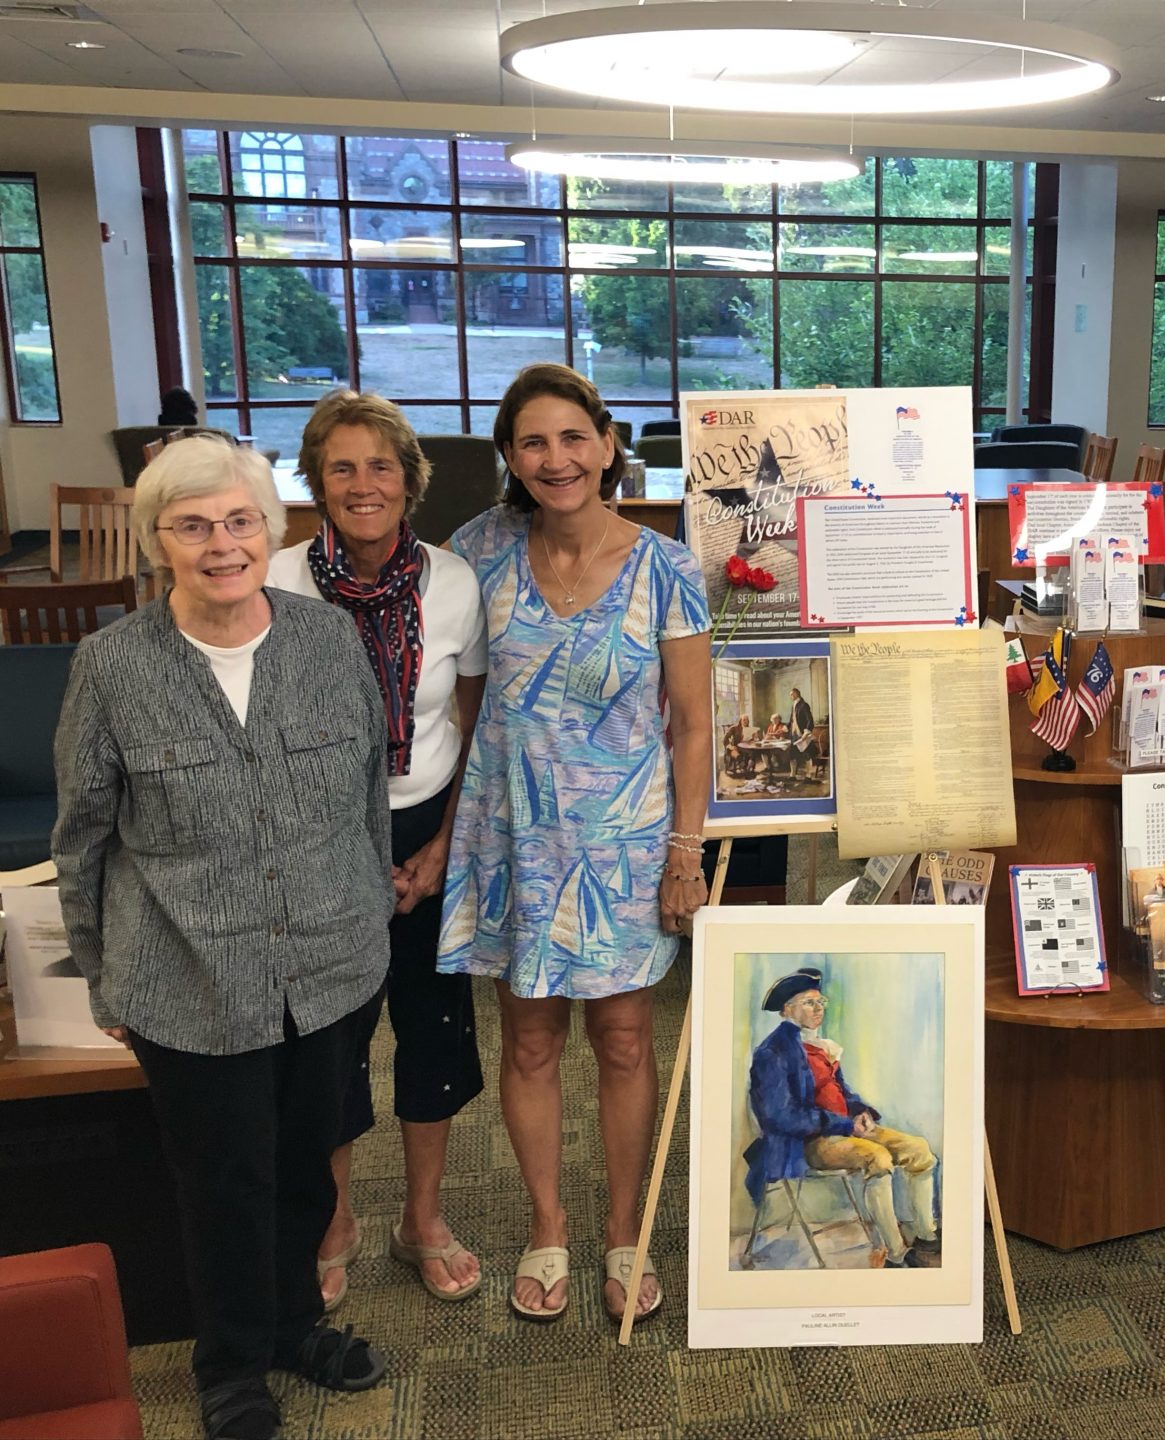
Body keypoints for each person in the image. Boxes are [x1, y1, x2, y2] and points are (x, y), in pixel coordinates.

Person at [52, 436, 391, 1440]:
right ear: (159, 541)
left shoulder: (328, 642)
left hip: (329, 970)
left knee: (303, 1166)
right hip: (189, 984)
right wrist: (107, 983)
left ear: (271, 527)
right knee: (224, 1185)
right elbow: (83, 837)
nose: (221, 543)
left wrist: (366, 918)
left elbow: (367, 798)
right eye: (192, 525)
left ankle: (292, 1325)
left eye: (240, 520)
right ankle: (232, 1364)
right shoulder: (109, 667)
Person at [437, 363, 713, 1325]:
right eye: (533, 443)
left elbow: (692, 726)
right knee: (529, 1041)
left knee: (628, 1040)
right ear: (510, 457)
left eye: (573, 438)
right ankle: (548, 1227)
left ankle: (624, 1231)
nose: (556, 460)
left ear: (605, 444)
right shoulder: (476, 552)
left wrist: (689, 849)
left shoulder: (665, 565)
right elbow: (463, 707)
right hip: (516, 839)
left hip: (628, 847)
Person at [266, 391, 487, 1309]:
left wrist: (442, 846)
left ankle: (423, 1220)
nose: (364, 484)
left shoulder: (455, 583)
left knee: (431, 1029)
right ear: (315, 481)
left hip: (425, 827)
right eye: (342, 466)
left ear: (411, 480)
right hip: (314, 838)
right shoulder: (273, 579)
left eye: (382, 465)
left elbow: (476, 724)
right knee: (331, 1038)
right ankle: (336, 1217)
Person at [744, 968, 939, 1268]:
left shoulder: (822, 1046)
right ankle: (897, 1252)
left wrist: (860, 1113)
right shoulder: (773, 1053)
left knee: (919, 1150)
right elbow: (782, 1117)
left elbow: (841, 1093)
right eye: (808, 1002)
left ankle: (927, 1235)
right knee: (878, 1158)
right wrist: (845, 1125)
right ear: (787, 1009)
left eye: (820, 1001)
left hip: (846, 1130)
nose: (818, 1008)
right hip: (806, 1142)